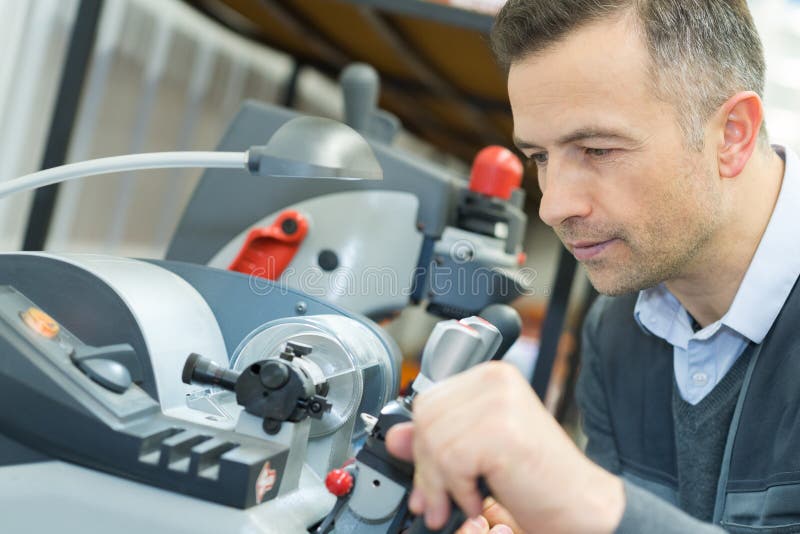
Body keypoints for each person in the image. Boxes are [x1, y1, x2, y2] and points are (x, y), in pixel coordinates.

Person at [384, 1, 800, 532]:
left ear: (732, 134)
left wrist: (591, 504)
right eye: (539, 157)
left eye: (597, 149)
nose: (552, 206)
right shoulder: (617, 330)